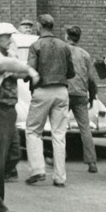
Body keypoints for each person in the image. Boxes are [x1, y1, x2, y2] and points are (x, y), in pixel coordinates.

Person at [0, 22, 38, 212]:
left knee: (12, 154)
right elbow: (9, 66)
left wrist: (22, 67)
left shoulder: (7, 56)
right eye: (6, 37)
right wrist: (29, 69)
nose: (10, 40)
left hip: (8, 109)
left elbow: (18, 71)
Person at [25, 13, 75, 187]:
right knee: (59, 134)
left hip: (42, 90)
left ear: (39, 26)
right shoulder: (64, 46)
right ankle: (60, 177)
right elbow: (71, 72)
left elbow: (30, 70)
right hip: (62, 90)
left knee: (33, 130)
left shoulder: (36, 46)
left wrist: (25, 77)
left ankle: (37, 170)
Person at [65, 25, 99, 173]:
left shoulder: (63, 51)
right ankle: (91, 162)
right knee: (85, 128)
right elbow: (91, 79)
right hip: (81, 93)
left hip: (65, 91)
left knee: (59, 126)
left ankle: (59, 156)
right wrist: (92, 96)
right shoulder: (85, 55)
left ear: (67, 37)